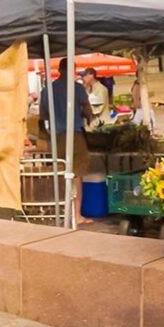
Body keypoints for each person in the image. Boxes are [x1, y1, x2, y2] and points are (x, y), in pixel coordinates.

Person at [39, 57, 94, 222]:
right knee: (76, 174)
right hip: (74, 136)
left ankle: (61, 212)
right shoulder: (77, 88)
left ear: (58, 70)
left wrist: (46, 136)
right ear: (72, 70)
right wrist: (89, 118)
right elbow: (87, 109)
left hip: (56, 137)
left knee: (59, 173)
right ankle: (76, 215)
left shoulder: (47, 89)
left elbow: (42, 117)